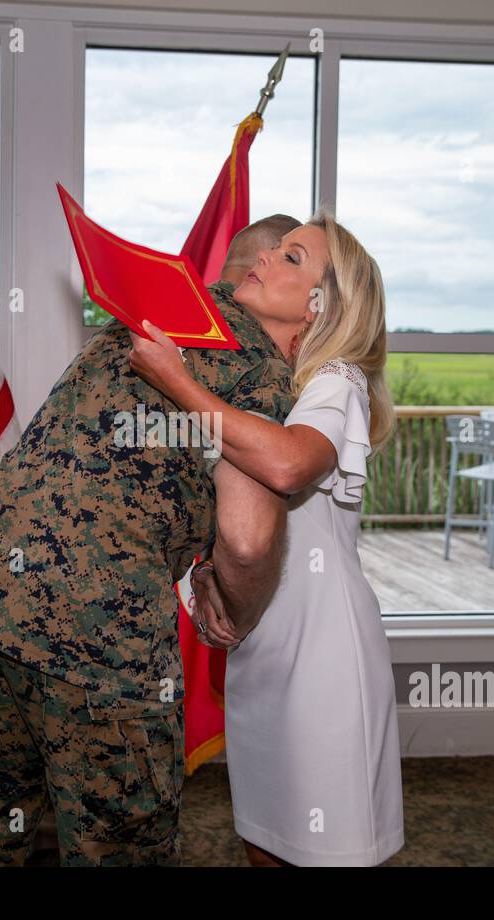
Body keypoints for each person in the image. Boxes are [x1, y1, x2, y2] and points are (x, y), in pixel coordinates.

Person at [0, 215, 300, 866]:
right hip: (98, 629)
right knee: (121, 845)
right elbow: (247, 538)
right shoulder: (257, 360)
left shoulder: (139, 323)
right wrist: (237, 611)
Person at [129, 207, 405, 867]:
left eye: (292, 257)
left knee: (329, 848)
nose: (265, 256)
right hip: (261, 644)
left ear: (322, 304)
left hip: (321, 651)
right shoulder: (271, 383)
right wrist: (207, 576)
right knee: (267, 841)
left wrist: (177, 382)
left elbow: (286, 464)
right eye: (275, 249)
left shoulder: (338, 379)